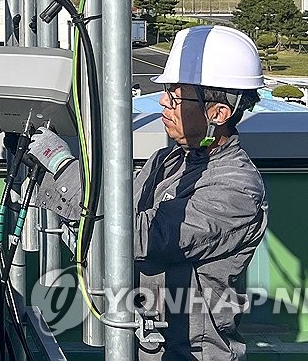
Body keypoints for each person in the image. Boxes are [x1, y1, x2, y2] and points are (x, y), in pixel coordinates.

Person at [28, 25, 269, 361]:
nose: (163, 101)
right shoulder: (167, 160)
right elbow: (113, 210)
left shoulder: (235, 189)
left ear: (218, 113)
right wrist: (43, 168)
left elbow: (135, 235)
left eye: (177, 96)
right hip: (144, 342)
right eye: (167, 91)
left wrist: (62, 166)